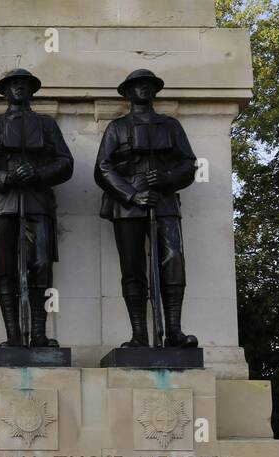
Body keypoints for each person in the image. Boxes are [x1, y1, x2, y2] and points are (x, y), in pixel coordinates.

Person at [0, 68, 74, 348]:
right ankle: (13, 334)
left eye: (24, 84)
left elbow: (65, 162)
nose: (19, 88)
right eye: (13, 85)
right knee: (6, 269)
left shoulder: (47, 125)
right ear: (4, 91)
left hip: (37, 200)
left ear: (32, 90)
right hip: (1, 202)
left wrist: (37, 173)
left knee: (40, 265)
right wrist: (4, 177)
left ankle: (38, 332)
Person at [95, 68, 199, 348]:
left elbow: (188, 164)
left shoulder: (171, 126)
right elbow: (103, 168)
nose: (143, 89)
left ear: (155, 91)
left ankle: (174, 330)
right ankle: (139, 334)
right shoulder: (117, 128)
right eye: (137, 86)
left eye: (148, 85)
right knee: (132, 268)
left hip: (163, 201)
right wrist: (131, 194)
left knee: (173, 262)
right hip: (128, 206)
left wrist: (167, 178)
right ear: (127, 92)